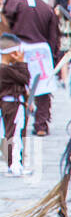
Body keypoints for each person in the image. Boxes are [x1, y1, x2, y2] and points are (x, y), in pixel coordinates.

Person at [2, 0, 60, 135]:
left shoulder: (13, 3)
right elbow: (53, 36)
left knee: (16, 86)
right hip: (41, 52)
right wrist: (54, 57)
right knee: (43, 88)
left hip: (18, 51)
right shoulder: (46, 8)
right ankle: (41, 125)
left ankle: (15, 123)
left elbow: (6, 27)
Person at [0, 32, 30, 175]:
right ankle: (15, 165)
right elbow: (25, 78)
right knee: (16, 134)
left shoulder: (5, 69)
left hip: (9, 105)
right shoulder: (6, 70)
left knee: (10, 133)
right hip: (14, 105)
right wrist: (22, 62)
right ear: (12, 53)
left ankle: (12, 163)